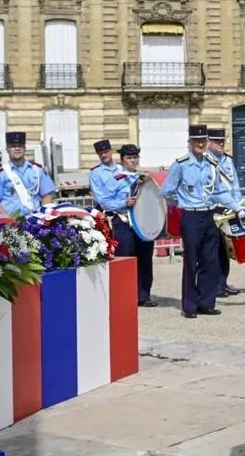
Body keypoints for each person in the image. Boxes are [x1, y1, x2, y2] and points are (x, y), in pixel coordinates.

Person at [159, 124, 224, 318]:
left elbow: (218, 189)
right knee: (191, 261)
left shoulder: (212, 164)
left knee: (210, 261)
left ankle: (207, 302)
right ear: (189, 143)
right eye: (196, 141)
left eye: (203, 141)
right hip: (191, 216)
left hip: (209, 215)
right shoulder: (181, 165)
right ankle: (190, 306)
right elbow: (167, 191)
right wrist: (182, 203)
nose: (200, 144)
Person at [88, 140, 156, 307]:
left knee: (145, 257)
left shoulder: (139, 175)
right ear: (123, 159)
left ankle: (143, 295)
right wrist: (123, 203)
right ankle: (125, 296)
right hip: (122, 218)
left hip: (140, 219)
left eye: (134, 157)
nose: (132, 161)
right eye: (129, 158)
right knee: (124, 257)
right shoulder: (114, 177)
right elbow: (104, 200)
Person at [207, 126, 244, 296]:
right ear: (209, 142)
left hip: (229, 209)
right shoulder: (205, 162)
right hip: (213, 210)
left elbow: (234, 184)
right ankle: (213, 285)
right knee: (212, 250)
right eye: (217, 142)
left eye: (222, 141)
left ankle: (222, 282)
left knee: (226, 249)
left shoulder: (227, 160)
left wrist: (238, 204)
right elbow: (215, 191)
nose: (221, 144)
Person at [0, 131, 56, 216]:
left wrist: (43, 217)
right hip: (10, 221)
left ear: (25, 148)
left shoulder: (37, 170)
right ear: (7, 149)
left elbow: (47, 195)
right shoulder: (1, 174)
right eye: (13, 146)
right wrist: (7, 219)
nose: (17, 148)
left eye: (20, 145)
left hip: (35, 220)